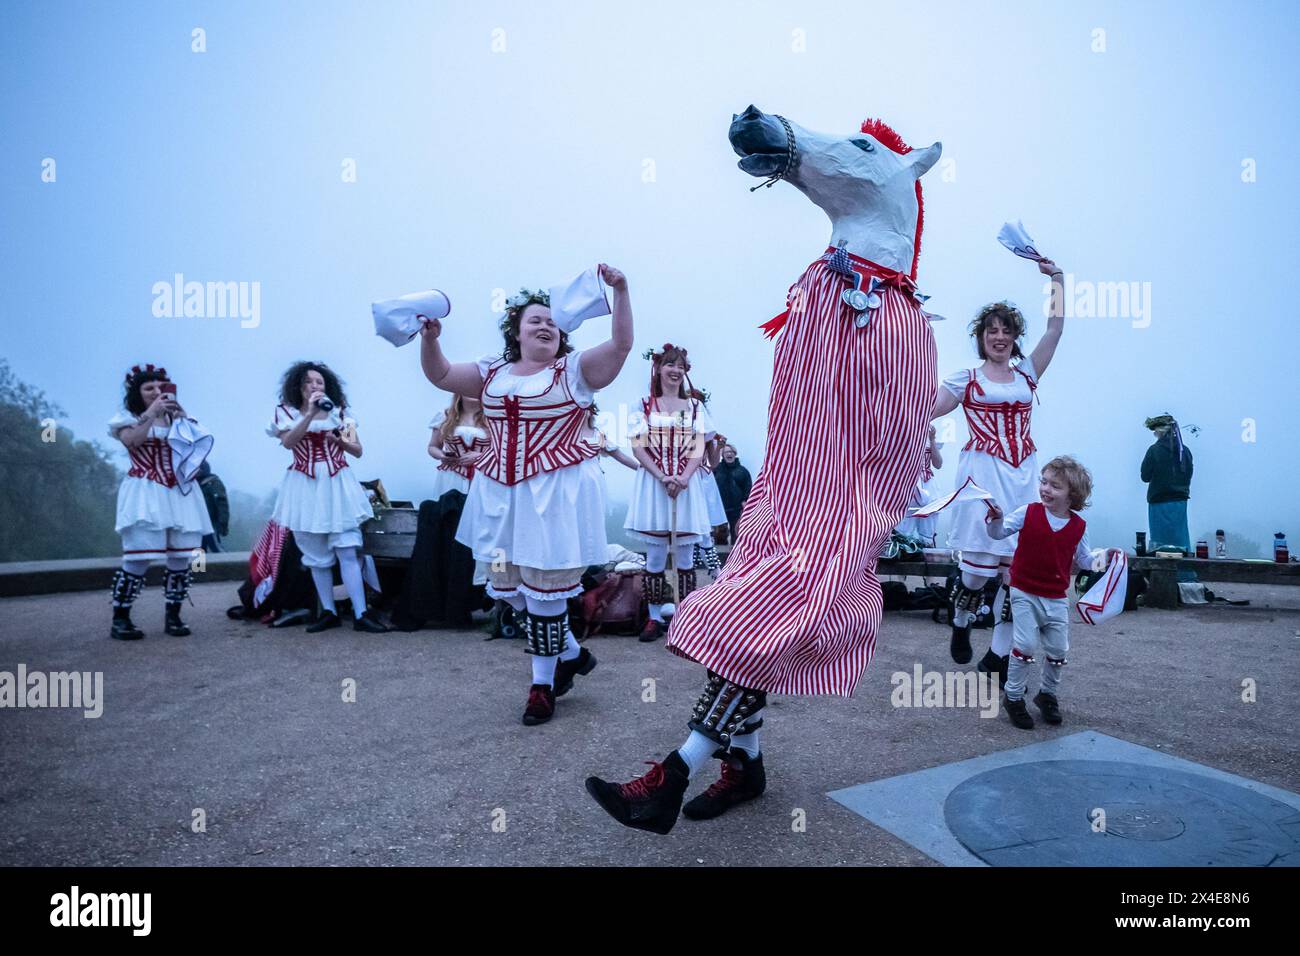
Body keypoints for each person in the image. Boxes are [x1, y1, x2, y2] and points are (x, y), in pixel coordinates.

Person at [419, 264, 634, 725]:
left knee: (544, 599)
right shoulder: (490, 373)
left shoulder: (573, 372)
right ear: (516, 330)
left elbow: (621, 346)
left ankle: (542, 686)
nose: (544, 325)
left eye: (553, 321)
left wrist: (620, 291)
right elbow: (439, 375)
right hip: (498, 494)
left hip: (553, 493)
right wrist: (431, 338)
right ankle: (572, 654)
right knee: (510, 591)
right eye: (535, 319)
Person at [930, 257, 1068, 683]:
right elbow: (924, 410)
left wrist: (1058, 279)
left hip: (1023, 475)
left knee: (1017, 575)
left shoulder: (1027, 373)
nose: (1000, 337)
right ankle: (961, 618)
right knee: (975, 574)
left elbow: (1055, 330)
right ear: (981, 337)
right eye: (993, 330)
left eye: (1007, 331)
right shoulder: (965, 378)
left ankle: (997, 654)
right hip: (982, 476)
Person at [985, 456, 1118, 729]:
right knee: (1024, 645)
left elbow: (1084, 561)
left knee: (1058, 650)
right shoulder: (1028, 512)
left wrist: (1106, 557)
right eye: (1043, 482)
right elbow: (998, 533)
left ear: (1073, 495)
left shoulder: (1079, 526)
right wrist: (995, 520)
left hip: (1057, 596)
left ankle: (1047, 695)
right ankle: (1013, 697)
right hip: (1023, 591)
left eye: (1055, 486)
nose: (1046, 489)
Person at [267, 361, 387, 633]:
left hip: (338, 484)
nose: (315, 386)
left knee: (347, 547)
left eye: (320, 382)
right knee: (316, 553)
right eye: (309, 382)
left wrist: (341, 442)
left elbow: (357, 450)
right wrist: (308, 414)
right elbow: (288, 443)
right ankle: (329, 611)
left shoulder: (341, 412)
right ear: (298, 386)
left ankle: (361, 613)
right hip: (304, 485)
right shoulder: (285, 412)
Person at [107, 364, 214, 640]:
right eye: (148, 388)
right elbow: (132, 442)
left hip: (180, 491)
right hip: (145, 489)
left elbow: (197, 452)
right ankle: (121, 618)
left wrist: (184, 419)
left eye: (159, 387)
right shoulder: (127, 418)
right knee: (139, 557)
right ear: (137, 392)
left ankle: (174, 616)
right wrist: (150, 414)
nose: (156, 392)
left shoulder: (176, 417)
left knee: (181, 557)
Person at [624, 345, 718, 642]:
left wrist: (684, 477)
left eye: (680, 366)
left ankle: (685, 618)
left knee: (686, 557)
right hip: (654, 483)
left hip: (685, 484)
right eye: (669, 365)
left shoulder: (695, 407)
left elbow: (700, 445)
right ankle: (654, 617)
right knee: (654, 557)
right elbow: (638, 446)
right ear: (658, 369)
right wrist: (663, 475)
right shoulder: (643, 405)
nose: (675, 370)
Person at [1141, 413, 1194, 554]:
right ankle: (1185, 574)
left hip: (1159, 502)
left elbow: (1145, 476)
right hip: (1180, 503)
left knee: (1160, 544)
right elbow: (1189, 475)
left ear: (1160, 432)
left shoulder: (1154, 450)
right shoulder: (1185, 451)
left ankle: (1160, 573)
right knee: (1180, 541)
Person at [894, 424, 943, 546]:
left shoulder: (929, 433)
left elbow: (938, 464)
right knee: (904, 520)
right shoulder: (901, 434)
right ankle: (903, 552)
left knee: (929, 518)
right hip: (907, 482)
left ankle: (927, 552)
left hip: (927, 482)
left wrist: (932, 439)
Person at [712, 443, 752, 546]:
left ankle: (735, 557)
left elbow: (748, 488)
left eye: (731, 452)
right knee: (719, 534)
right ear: (722, 455)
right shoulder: (716, 470)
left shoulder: (743, 471)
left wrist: (745, 501)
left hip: (736, 509)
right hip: (720, 508)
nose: (729, 454)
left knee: (736, 534)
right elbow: (711, 488)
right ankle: (721, 559)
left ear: (735, 454)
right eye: (726, 452)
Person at [197, 460, 229, 554]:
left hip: (211, 523)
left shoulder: (213, 482)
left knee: (216, 548)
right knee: (199, 550)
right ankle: (199, 569)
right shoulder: (194, 485)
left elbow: (222, 504)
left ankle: (226, 567)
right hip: (198, 524)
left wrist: (223, 523)